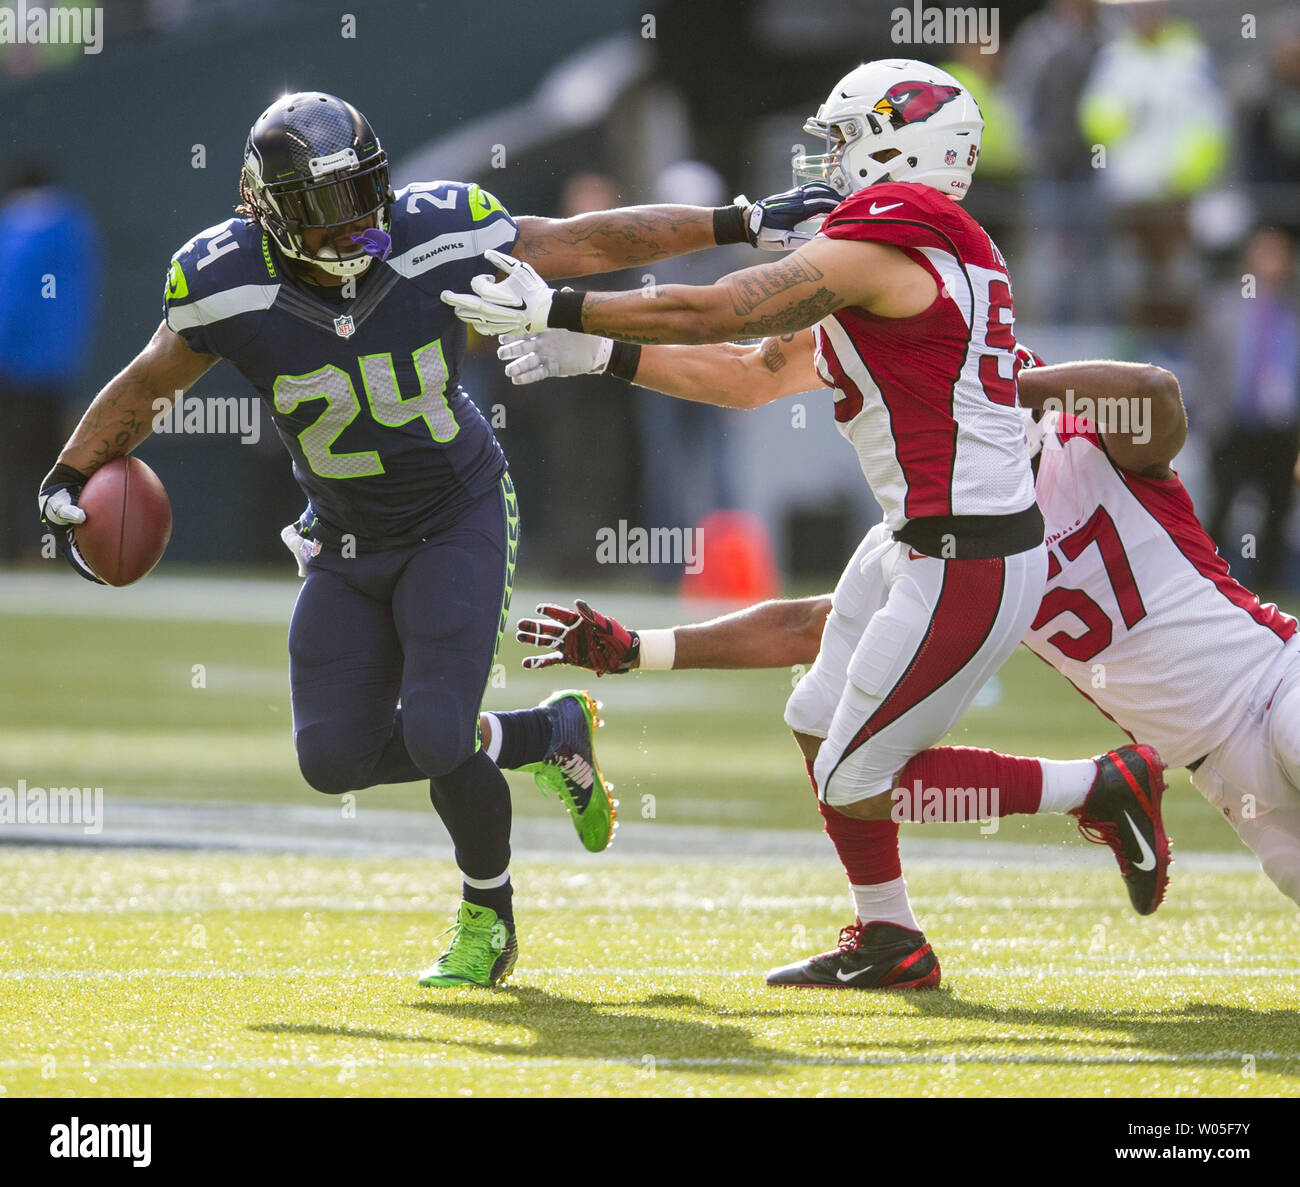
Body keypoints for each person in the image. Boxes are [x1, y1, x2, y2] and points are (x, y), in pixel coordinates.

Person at [36, 91, 836, 989]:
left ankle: (487, 920)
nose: (350, 224)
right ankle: (545, 735)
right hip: (342, 539)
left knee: (438, 733)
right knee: (329, 758)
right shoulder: (222, 280)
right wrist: (71, 473)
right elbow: (150, 382)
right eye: (320, 207)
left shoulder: (435, 227)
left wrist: (739, 217)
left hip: (456, 512)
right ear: (264, 210)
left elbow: (593, 239)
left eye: (361, 194)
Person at [448, 60, 1170, 989]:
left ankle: (1102, 786)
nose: (830, 159)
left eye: (846, 137)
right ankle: (888, 935)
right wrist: (600, 352)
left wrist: (561, 303)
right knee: (816, 721)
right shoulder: (904, 258)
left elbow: (716, 308)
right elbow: (750, 375)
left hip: (970, 553)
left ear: (905, 144)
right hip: (927, 534)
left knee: (857, 774)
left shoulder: (894, 237)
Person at [511, 355, 1300, 986]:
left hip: (1277, 680)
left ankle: (1094, 791)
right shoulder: (938, 528)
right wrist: (641, 647)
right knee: (846, 753)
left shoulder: (1087, 449)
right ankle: (903, 921)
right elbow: (808, 624)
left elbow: (1156, 397)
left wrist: (1009, 382)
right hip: (1226, 777)